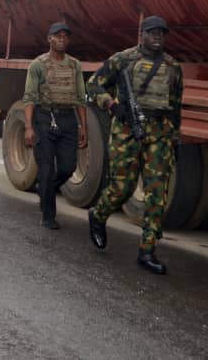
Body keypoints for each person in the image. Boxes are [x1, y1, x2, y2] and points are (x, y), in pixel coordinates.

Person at [86, 16, 182, 275]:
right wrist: (112, 106)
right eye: (152, 32)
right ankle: (98, 214)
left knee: (157, 193)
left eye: (162, 33)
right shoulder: (122, 59)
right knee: (123, 187)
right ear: (142, 34)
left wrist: (174, 139)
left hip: (158, 133)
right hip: (126, 130)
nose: (157, 37)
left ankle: (147, 250)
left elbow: (174, 107)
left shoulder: (173, 66)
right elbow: (93, 85)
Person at [22, 22, 88, 229]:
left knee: (68, 167)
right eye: (57, 36)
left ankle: (46, 189)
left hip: (67, 119)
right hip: (44, 118)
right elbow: (30, 97)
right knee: (47, 167)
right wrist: (29, 127)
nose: (61, 40)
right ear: (49, 39)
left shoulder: (75, 65)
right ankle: (48, 215)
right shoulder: (38, 65)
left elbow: (80, 98)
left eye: (65, 37)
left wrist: (83, 127)